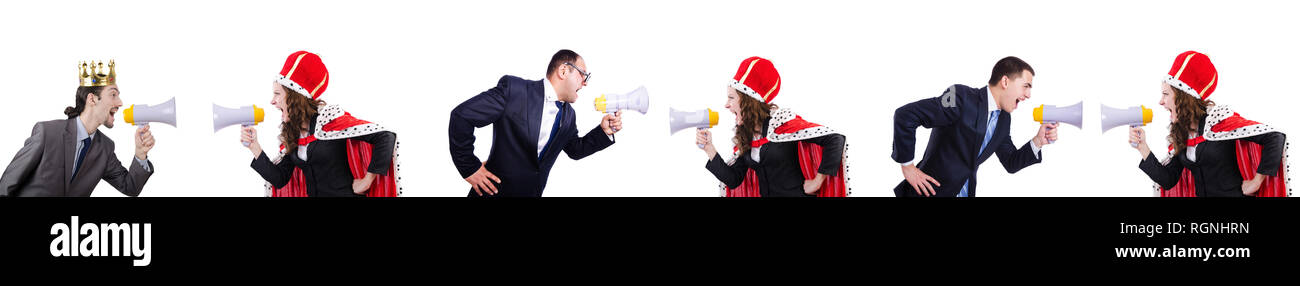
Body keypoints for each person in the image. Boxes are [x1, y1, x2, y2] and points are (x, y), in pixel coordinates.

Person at [448, 49, 622, 197]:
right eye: (583, 75)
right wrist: (470, 168)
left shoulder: (569, 115)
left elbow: (576, 150)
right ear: (563, 71)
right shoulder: (515, 91)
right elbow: (462, 116)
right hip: (493, 192)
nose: (585, 82)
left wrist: (604, 131)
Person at [891, 56, 1057, 197]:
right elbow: (906, 115)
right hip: (929, 192)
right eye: (1026, 86)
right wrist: (908, 166)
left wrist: (1038, 141)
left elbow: (1011, 162)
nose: (1028, 95)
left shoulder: (1004, 120)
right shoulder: (960, 97)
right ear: (1005, 81)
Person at [243, 51, 401, 197]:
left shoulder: (330, 121)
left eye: (277, 94)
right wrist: (254, 146)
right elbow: (279, 179)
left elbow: (385, 137)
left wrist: (367, 181)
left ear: (295, 97)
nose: (272, 101)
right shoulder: (294, 133)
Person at [1132, 51, 1289, 197]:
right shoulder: (1182, 133)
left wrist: (1256, 182)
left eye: (1166, 94)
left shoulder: (1220, 122)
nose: (1161, 101)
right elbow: (1168, 180)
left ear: (1184, 97)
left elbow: (1275, 137)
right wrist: (1142, 147)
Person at [697, 56, 848, 197]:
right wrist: (709, 148)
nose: (726, 105)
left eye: (731, 98)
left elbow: (835, 139)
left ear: (748, 101)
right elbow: (734, 179)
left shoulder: (783, 124)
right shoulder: (746, 135)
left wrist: (817, 182)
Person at [1, 60, 156, 196]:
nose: (120, 103)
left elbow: (130, 187)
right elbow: (7, 184)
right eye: (113, 95)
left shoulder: (105, 148)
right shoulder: (48, 133)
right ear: (92, 99)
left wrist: (140, 154)